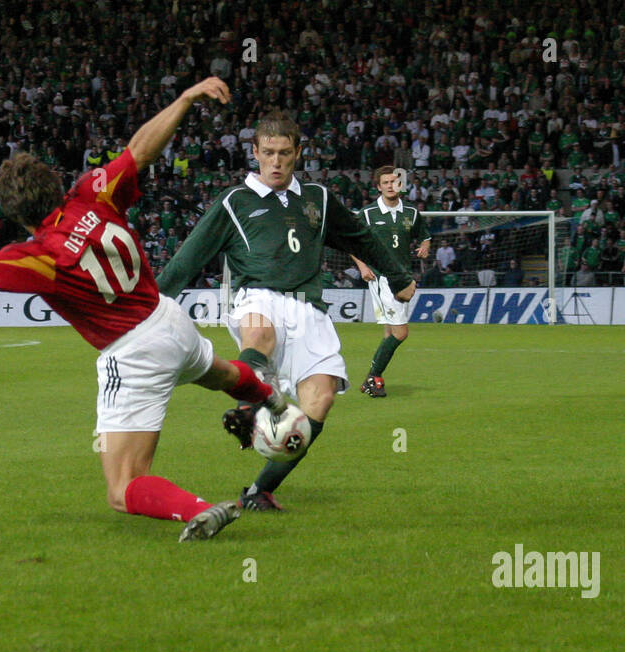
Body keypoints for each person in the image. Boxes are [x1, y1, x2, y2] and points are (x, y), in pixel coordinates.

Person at [0, 77, 281, 541]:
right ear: (53, 183)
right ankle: (273, 401)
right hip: (168, 317)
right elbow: (141, 150)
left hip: (134, 350)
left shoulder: (43, 253)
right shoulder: (93, 193)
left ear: (15, 214)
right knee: (219, 375)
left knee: (122, 486)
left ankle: (200, 509)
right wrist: (186, 98)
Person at [157, 110, 416, 512]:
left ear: (298, 152)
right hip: (257, 297)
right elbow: (187, 260)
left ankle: (258, 491)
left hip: (310, 310)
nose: (275, 162)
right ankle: (247, 411)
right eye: (267, 153)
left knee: (321, 401)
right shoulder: (234, 202)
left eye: (283, 153)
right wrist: (151, 305)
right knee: (260, 334)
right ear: (255, 153)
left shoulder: (319, 199)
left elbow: (362, 238)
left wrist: (399, 277)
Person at [349, 165, 430, 397]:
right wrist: (362, 265)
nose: (390, 186)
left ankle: (370, 380)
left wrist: (424, 247)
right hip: (382, 278)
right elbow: (350, 241)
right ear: (378, 187)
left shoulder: (411, 213)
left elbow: (424, 236)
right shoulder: (367, 213)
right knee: (400, 332)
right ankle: (373, 378)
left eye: (394, 182)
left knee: (389, 331)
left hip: (403, 277)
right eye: (385, 183)